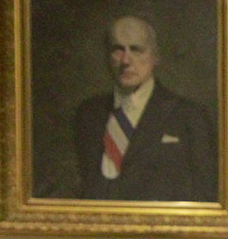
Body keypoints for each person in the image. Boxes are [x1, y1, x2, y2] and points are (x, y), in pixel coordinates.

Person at [72, 15, 218, 202]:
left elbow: (206, 194)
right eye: (118, 49)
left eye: (136, 49)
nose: (126, 60)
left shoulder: (190, 116)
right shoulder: (88, 114)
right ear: (107, 56)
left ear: (154, 57)